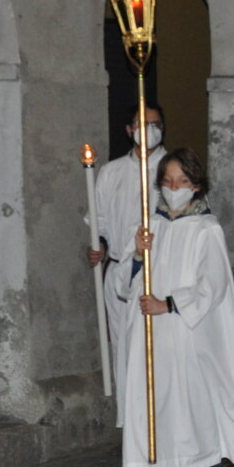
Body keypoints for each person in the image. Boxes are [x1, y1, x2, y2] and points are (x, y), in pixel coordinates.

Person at [96, 149, 234, 467]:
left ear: (197, 186)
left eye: (182, 182)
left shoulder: (206, 229)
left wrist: (169, 304)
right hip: (145, 335)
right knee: (143, 407)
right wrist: (137, 255)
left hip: (186, 334)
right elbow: (121, 283)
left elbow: (213, 285)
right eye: (167, 182)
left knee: (192, 406)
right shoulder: (148, 227)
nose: (174, 189)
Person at [88, 103, 164, 418]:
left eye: (156, 124)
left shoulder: (171, 170)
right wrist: (100, 246)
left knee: (155, 345)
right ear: (129, 130)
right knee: (122, 345)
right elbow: (100, 220)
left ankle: (158, 412)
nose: (150, 130)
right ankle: (130, 414)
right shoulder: (111, 172)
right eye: (142, 124)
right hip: (120, 267)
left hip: (158, 271)